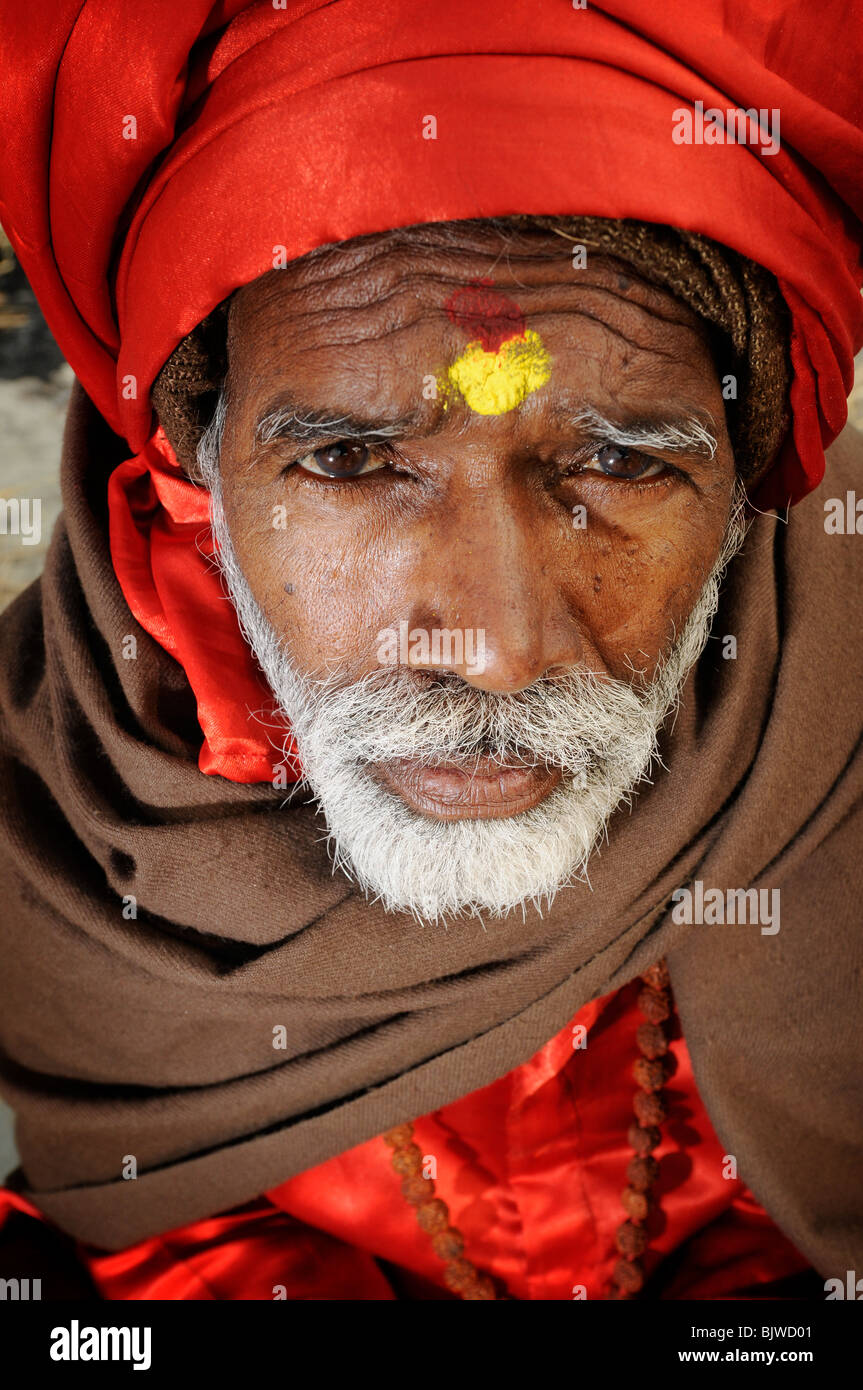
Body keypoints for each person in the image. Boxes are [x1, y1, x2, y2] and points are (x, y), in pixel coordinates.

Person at [0, 0, 860, 1301]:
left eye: (620, 461)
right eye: (348, 458)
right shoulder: (64, 812)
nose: (498, 654)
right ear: (197, 476)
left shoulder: (842, 693)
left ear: (746, 484)